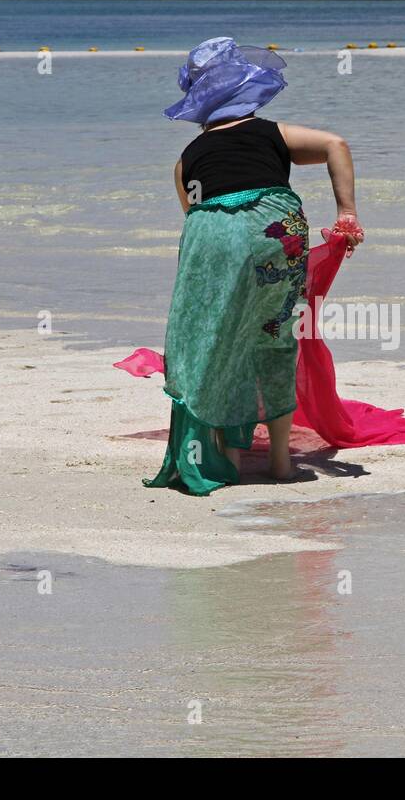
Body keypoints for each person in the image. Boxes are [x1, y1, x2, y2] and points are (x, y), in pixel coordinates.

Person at [144, 37, 364, 495]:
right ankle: (282, 462)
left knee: (216, 341)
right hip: (274, 228)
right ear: (247, 89)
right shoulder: (271, 134)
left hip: (211, 236)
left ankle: (229, 456)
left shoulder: (185, 161)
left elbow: (195, 218)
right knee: (275, 337)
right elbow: (334, 145)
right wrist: (347, 213)